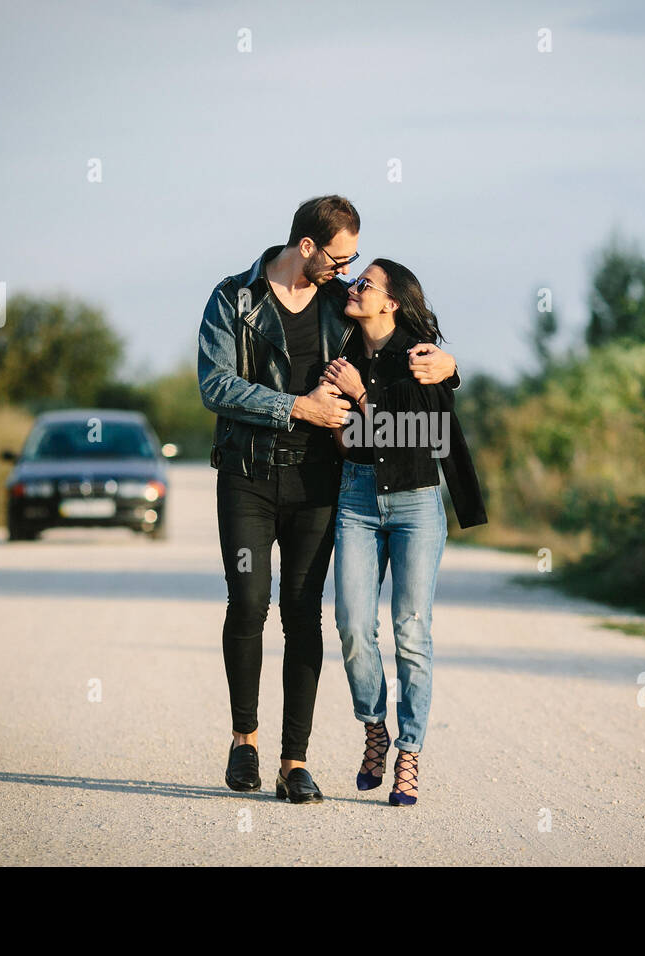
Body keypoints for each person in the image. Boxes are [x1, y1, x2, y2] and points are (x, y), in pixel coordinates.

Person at [196, 197, 460, 804]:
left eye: (355, 260)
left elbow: (401, 344)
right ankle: (245, 739)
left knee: (303, 614)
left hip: (319, 482)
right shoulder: (234, 300)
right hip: (247, 474)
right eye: (341, 256)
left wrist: (452, 367)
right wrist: (297, 407)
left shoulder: (338, 308)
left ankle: (295, 760)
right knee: (249, 601)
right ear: (307, 246)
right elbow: (216, 384)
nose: (347, 269)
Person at [321, 258, 487, 806]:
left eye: (366, 283)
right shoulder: (342, 354)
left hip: (416, 502)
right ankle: (375, 730)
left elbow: (424, 432)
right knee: (351, 622)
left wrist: (364, 399)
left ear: (391, 302)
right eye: (356, 281)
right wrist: (340, 416)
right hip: (358, 496)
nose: (356, 287)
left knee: (412, 632)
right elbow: (349, 442)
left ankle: (409, 752)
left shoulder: (421, 357)